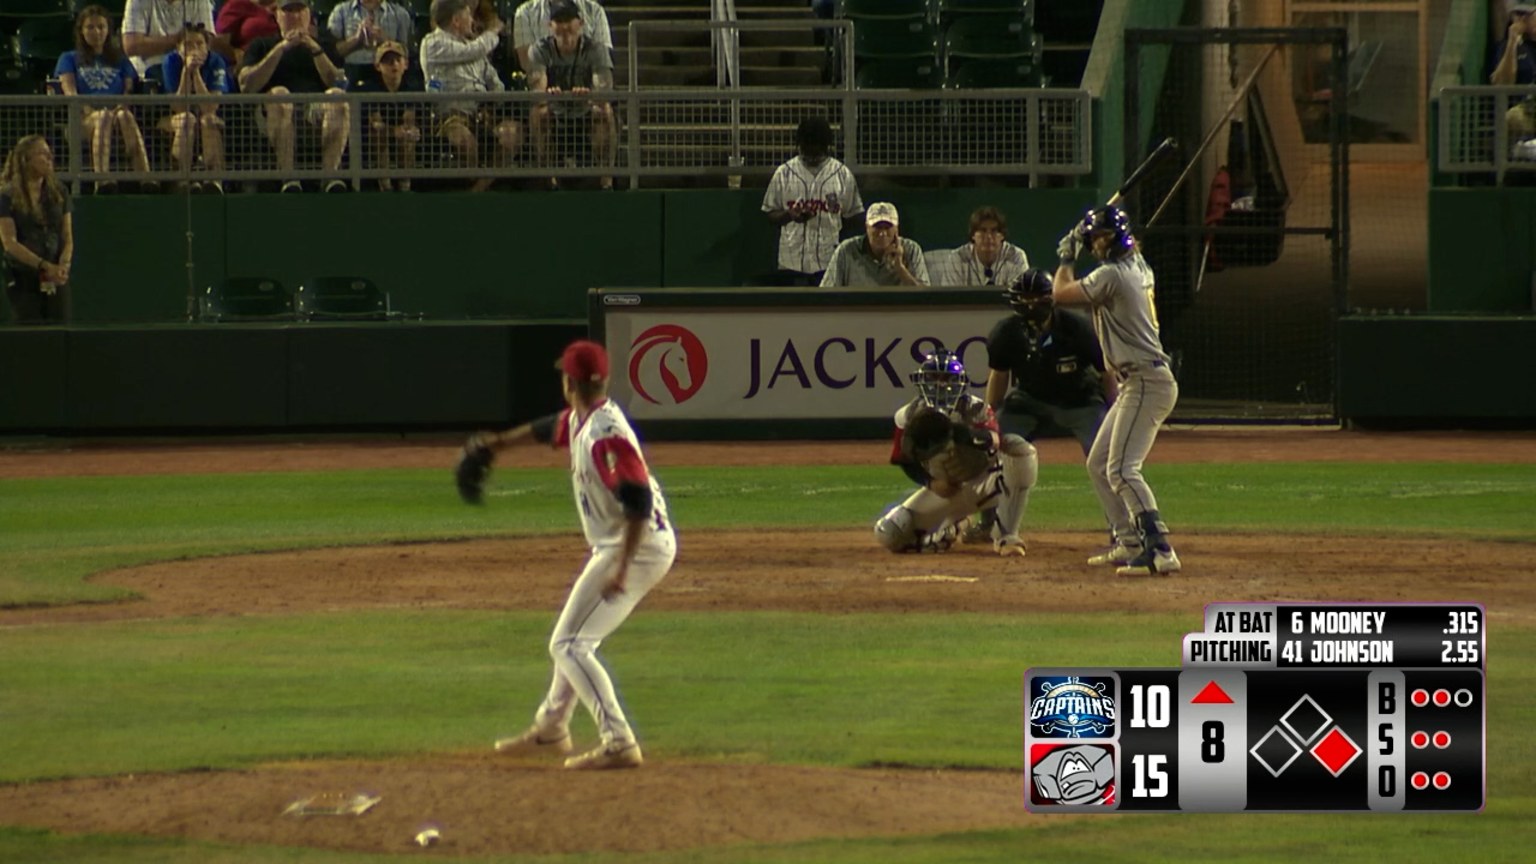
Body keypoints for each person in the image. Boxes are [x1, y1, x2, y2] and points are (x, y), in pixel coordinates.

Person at [480, 339, 676, 770]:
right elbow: (550, 426)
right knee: (575, 634)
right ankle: (551, 729)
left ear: (569, 382)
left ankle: (619, 740)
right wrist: (498, 443)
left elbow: (638, 501)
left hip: (637, 547)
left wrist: (622, 569)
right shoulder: (585, 418)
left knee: (569, 644)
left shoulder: (606, 437)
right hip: (627, 543)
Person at [1053, 205, 1182, 576]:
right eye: (1095, 239)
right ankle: (1128, 541)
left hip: (1146, 380)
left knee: (1123, 469)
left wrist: (1066, 254)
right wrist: (1091, 229)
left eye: (1103, 237)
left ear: (1119, 238)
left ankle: (1160, 549)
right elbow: (1128, 247)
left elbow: (1060, 293)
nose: (1097, 244)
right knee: (1099, 464)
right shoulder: (1139, 266)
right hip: (1137, 382)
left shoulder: (1112, 276)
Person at [873, 349, 1037, 557]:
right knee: (890, 533)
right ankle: (953, 527)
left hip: (983, 482)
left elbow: (995, 441)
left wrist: (959, 433)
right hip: (945, 489)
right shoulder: (908, 415)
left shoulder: (975, 408)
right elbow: (904, 460)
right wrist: (931, 483)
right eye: (934, 378)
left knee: (1019, 449)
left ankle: (1007, 534)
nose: (941, 385)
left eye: (947, 379)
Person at [237, 0, 351, 194]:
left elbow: (337, 82)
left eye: (300, 10)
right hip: (273, 113)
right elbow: (246, 85)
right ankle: (289, 177)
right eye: (288, 11)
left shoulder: (323, 45)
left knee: (337, 97)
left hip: (314, 112)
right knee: (280, 95)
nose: (295, 16)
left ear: (309, 14)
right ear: (277, 15)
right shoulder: (262, 44)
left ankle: (329, 177)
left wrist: (314, 49)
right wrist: (281, 48)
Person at [421, 0, 519, 193]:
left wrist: (496, 96)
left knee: (512, 134)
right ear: (456, 20)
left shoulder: (474, 49)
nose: (472, 20)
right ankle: (472, 190)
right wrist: (492, 32)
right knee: (464, 141)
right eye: (468, 16)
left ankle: (478, 189)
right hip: (450, 116)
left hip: (482, 113)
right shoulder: (433, 43)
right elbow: (473, 51)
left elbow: (494, 83)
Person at [55, 5, 154, 195]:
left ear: (108, 30)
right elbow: (69, 91)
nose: (96, 32)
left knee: (126, 116)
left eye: (101, 27)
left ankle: (146, 179)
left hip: (116, 114)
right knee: (103, 117)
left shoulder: (121, 60)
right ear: (81, 31)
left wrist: (120, 107)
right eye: (90, 27)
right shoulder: (68, 58)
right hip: (83, 120)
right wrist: (88, 110)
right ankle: (102, 181)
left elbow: (128, 90)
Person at [761, 116, 863, 285]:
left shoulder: (841, 174)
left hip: (828, 261)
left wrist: (833, 223)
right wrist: (789, 215)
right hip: (790, 260)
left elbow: (854, 215)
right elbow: (770, 212)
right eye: (806, 150)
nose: (810, 155)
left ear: (826, 147)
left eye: (815, 151)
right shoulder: (784, 173)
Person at [527, 0, 614, 190]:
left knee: (604, 111)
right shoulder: (539, 49)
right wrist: (548, 94)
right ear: (550, 26)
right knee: (538, 112)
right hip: (556, 113)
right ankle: (548, 179)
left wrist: (590, 95)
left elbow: (604, 87)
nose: (565, 28)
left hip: (585, 111)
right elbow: (537, 90)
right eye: (560, 22)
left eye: (570, 22)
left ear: (580, 24)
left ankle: (606, 180)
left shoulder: (596, 49)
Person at [0, 137, 74, 325]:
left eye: (49, 152)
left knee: (59, 330)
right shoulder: (7, 196)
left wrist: (63, 265)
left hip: (56, 277)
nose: (50, 157)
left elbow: (67, 236)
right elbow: (9, 243)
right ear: (26, 159)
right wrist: (44, 265)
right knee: (30, 332)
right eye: (42, 153)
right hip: (23, 276)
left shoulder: (59, 191)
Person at [162, 24, 230, 193]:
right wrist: (186, 71)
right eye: (188, 45)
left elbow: (210, 107)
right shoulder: (170, 61)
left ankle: (214, 180)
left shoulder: (216, 61)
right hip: (173, 118)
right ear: (178, 48)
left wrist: (196, 73)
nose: (194, 49)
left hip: (209, 116)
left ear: (207, 47)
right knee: (186, 119)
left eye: (199, 44)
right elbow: (178, 107)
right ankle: (181, 180)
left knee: (208, 120)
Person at [353, 40, 422, 191]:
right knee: (379, 135)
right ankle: (385, 186)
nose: (394, 65)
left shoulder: (413, 86)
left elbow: (409, 119)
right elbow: (375, 122)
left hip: (401, 133)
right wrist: (393, 131)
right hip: (376, 135)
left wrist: (406, 130)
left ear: (406, 64)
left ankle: (405, 186)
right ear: (378, 66)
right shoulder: (370, 88)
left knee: (408, 136)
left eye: (398, 60)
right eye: (388, 61)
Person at [819, 201, 929, 287]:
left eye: (887, 227)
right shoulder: (846, 250)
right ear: (867, 227)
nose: (882, 233)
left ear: (897, 228)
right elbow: (825, 293)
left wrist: (900, 268)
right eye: (877, 226)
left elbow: (926, 297)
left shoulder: (912, 250)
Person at [121, 0, 221, 88]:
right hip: (149, 69)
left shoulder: (200, 1)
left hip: (193, 64)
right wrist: (179, 40)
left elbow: (207, 41)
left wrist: (185, 45)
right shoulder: (138, 1)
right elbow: (131, 46)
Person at [328, 0, 415, 86]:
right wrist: (357, 40)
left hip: (386, 73)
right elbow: (334, 52)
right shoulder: (340, 11)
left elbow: (405, 53)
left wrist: (385, 41)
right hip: (352, 72)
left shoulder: (400, 14)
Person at [512, 0, 610, 73]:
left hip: (589, 92)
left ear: (581, 22)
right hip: (543, 91)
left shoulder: (595, 11)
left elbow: (603, 61)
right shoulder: (525, 13)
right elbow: (527, 64)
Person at [944, 206, 1031, 287]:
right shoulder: (957, 258)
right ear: (973, 235)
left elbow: (1020, 297)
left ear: (1002, 235)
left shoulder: (1016, 257)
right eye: (983, 230)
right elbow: (948, 299)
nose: (988, 236)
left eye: (994, 231)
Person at [1490, 2, 1536, 147]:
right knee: (1513, 118)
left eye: (1527, 15)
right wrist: (1512, 42)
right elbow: (1502, 83)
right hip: (1525, 110)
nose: (1522, 19)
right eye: (1518, 15)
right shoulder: (1507, 46)